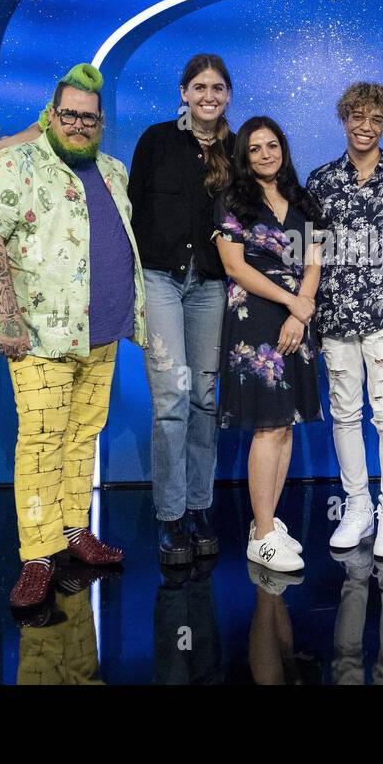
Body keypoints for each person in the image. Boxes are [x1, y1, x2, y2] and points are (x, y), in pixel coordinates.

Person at [0, 63, 145, 609]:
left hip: (104, 331)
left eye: (90, 117)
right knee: (41, 443)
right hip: (42, 336)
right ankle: (38, 558)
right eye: (70, 114)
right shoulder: (15, 164)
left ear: (101, 122)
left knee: (83, 434)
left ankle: (73, 532)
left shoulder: (113, 170)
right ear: (51, 115)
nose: (80, 125)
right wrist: (8, 316)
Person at [306, 81, 383, 559]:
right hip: (334, 315)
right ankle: (358, 508)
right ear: (344, 118)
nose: (365, 127)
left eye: (376, 120)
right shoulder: (320, 181)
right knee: (345, 413)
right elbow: (311, 252)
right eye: (358, 117)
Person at [128, 54, 235, 567]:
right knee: (172, 395)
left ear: (228, 95)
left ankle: (199, 507)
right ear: (184, 92)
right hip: (160, 281)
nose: (208, 95)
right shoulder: (155, 140)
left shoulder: (237, 149)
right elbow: (131, 214)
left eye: (217, 87)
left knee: (205, 398)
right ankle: (170, 516)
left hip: (211, 286)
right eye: (199, 87)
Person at [214, 116, 325, 572]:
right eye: (255, 147)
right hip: (255, 318)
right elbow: (235, 268)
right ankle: (260, 534)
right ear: (244, 154)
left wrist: (304, 306)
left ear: (283, 149)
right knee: (267, 423)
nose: (265, 154)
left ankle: (268, 523)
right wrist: (292, 303)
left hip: (297, 317)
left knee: (286, 423)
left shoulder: (303, 200)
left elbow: (316, 261)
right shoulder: (232, 200)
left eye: (272, 145)